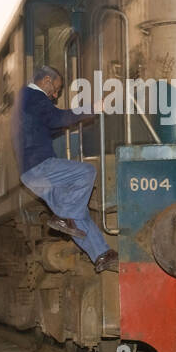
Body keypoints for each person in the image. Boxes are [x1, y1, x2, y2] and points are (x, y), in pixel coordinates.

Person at [15, 65, 118, 273]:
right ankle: (63, 217)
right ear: (46, 80)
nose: (54, 95)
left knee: (75, 215)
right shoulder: (32, 96)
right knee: (86, 172)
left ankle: (101, 254)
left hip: (30, 175)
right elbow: (58, 118)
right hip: (40, 166)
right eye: (55, 90)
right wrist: (93, 108)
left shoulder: (25, 102)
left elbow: (49, 126)